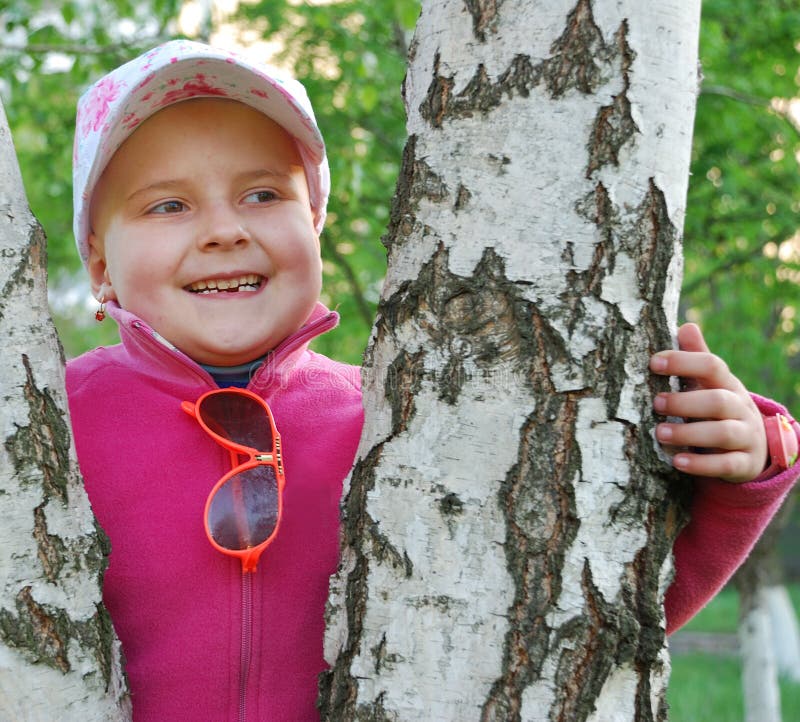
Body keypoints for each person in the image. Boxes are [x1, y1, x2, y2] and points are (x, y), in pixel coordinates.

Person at [65, 39, 800, 720]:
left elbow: (576, 616)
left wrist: (741, 469)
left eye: (263, 194)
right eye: (169, 204)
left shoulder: (403, 418)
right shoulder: (55, 424)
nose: (225, 229)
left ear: (315, 220)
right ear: (100, 265)